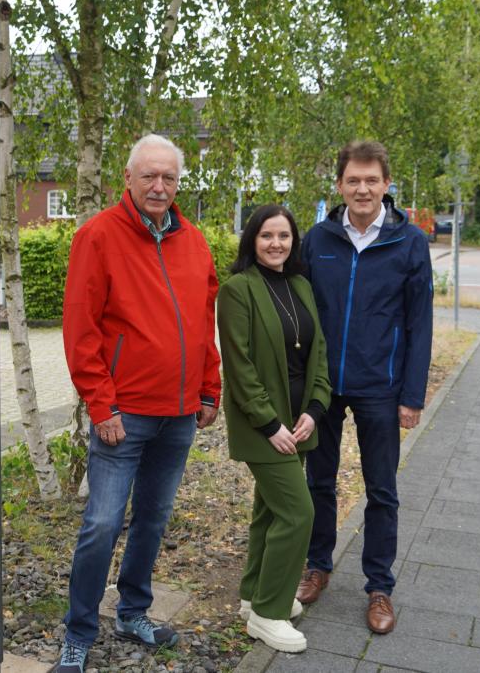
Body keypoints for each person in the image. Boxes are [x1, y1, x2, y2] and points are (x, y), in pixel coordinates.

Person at [56, 133, 222, 673]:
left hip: (178, 417)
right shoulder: (98, 237)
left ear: (178, 183)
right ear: (127, 178)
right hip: (122, 419)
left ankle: (132, 611)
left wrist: (209, 388)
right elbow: (80, 332)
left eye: (168, 177)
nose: (159, 186)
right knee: (102, 524)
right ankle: (78, 632)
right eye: (149, 175)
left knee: (152, 518)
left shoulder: (194, 243)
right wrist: (101, 408)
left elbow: (202, 324)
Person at [297, 141, 432, 635]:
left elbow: (420, 323)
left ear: (386, 185)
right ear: (339, 185)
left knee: (382, 490)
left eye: (372, 180)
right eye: (353, 180)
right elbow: (302, 315)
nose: (362, 188)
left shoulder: (409, 243)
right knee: (319, 481)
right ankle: (318, 565)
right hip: (324, 386)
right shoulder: (318, 239)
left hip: (381, 385)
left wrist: (412, 396)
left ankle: (379, 586)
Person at [217, 204, 331, 653]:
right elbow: (240, 367)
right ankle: (269, 613)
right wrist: (269, 423)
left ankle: (252, 596)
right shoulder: (237, 290)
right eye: (267, 235)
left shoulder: (300, 284)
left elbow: (317, 351)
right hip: (261, 424)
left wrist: (316, 408)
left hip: (299, 421)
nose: (276, 244)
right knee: (298, 513)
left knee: (270, 509)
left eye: (284, 236)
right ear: (252, 240)